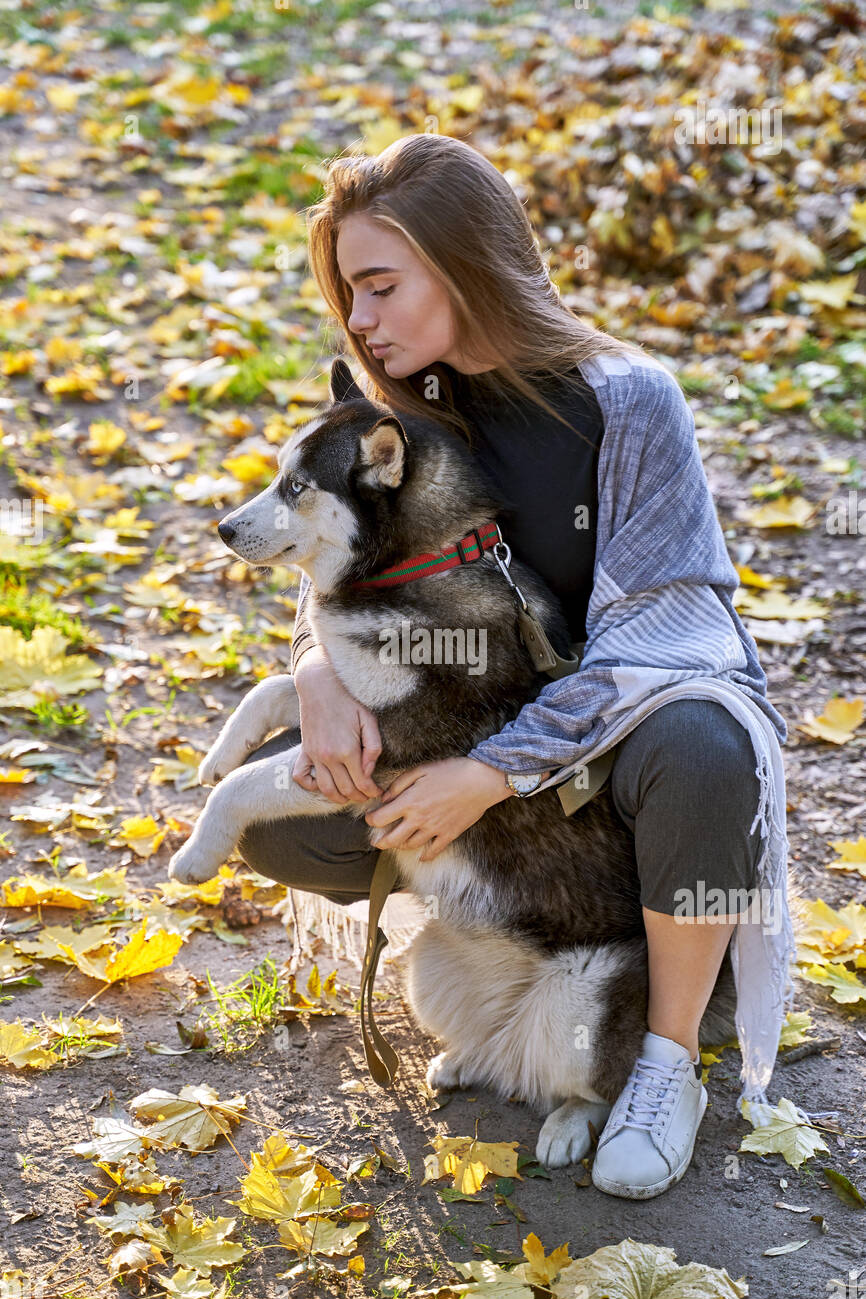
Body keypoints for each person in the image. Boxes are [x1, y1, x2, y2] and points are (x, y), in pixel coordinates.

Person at [235, 133, 797, 1200]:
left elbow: (667, 636)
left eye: (378, 285)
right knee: (275, 806)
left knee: (706, 737)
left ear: (466, 263)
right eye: (348, 292)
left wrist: (490, 772)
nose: (358, 320)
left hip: (615, 763)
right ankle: (514, 945)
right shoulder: (397, 412)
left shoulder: (629, 400)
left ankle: (663, 1055)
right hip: (479, 775)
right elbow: (340, 573)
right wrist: (314, 668)